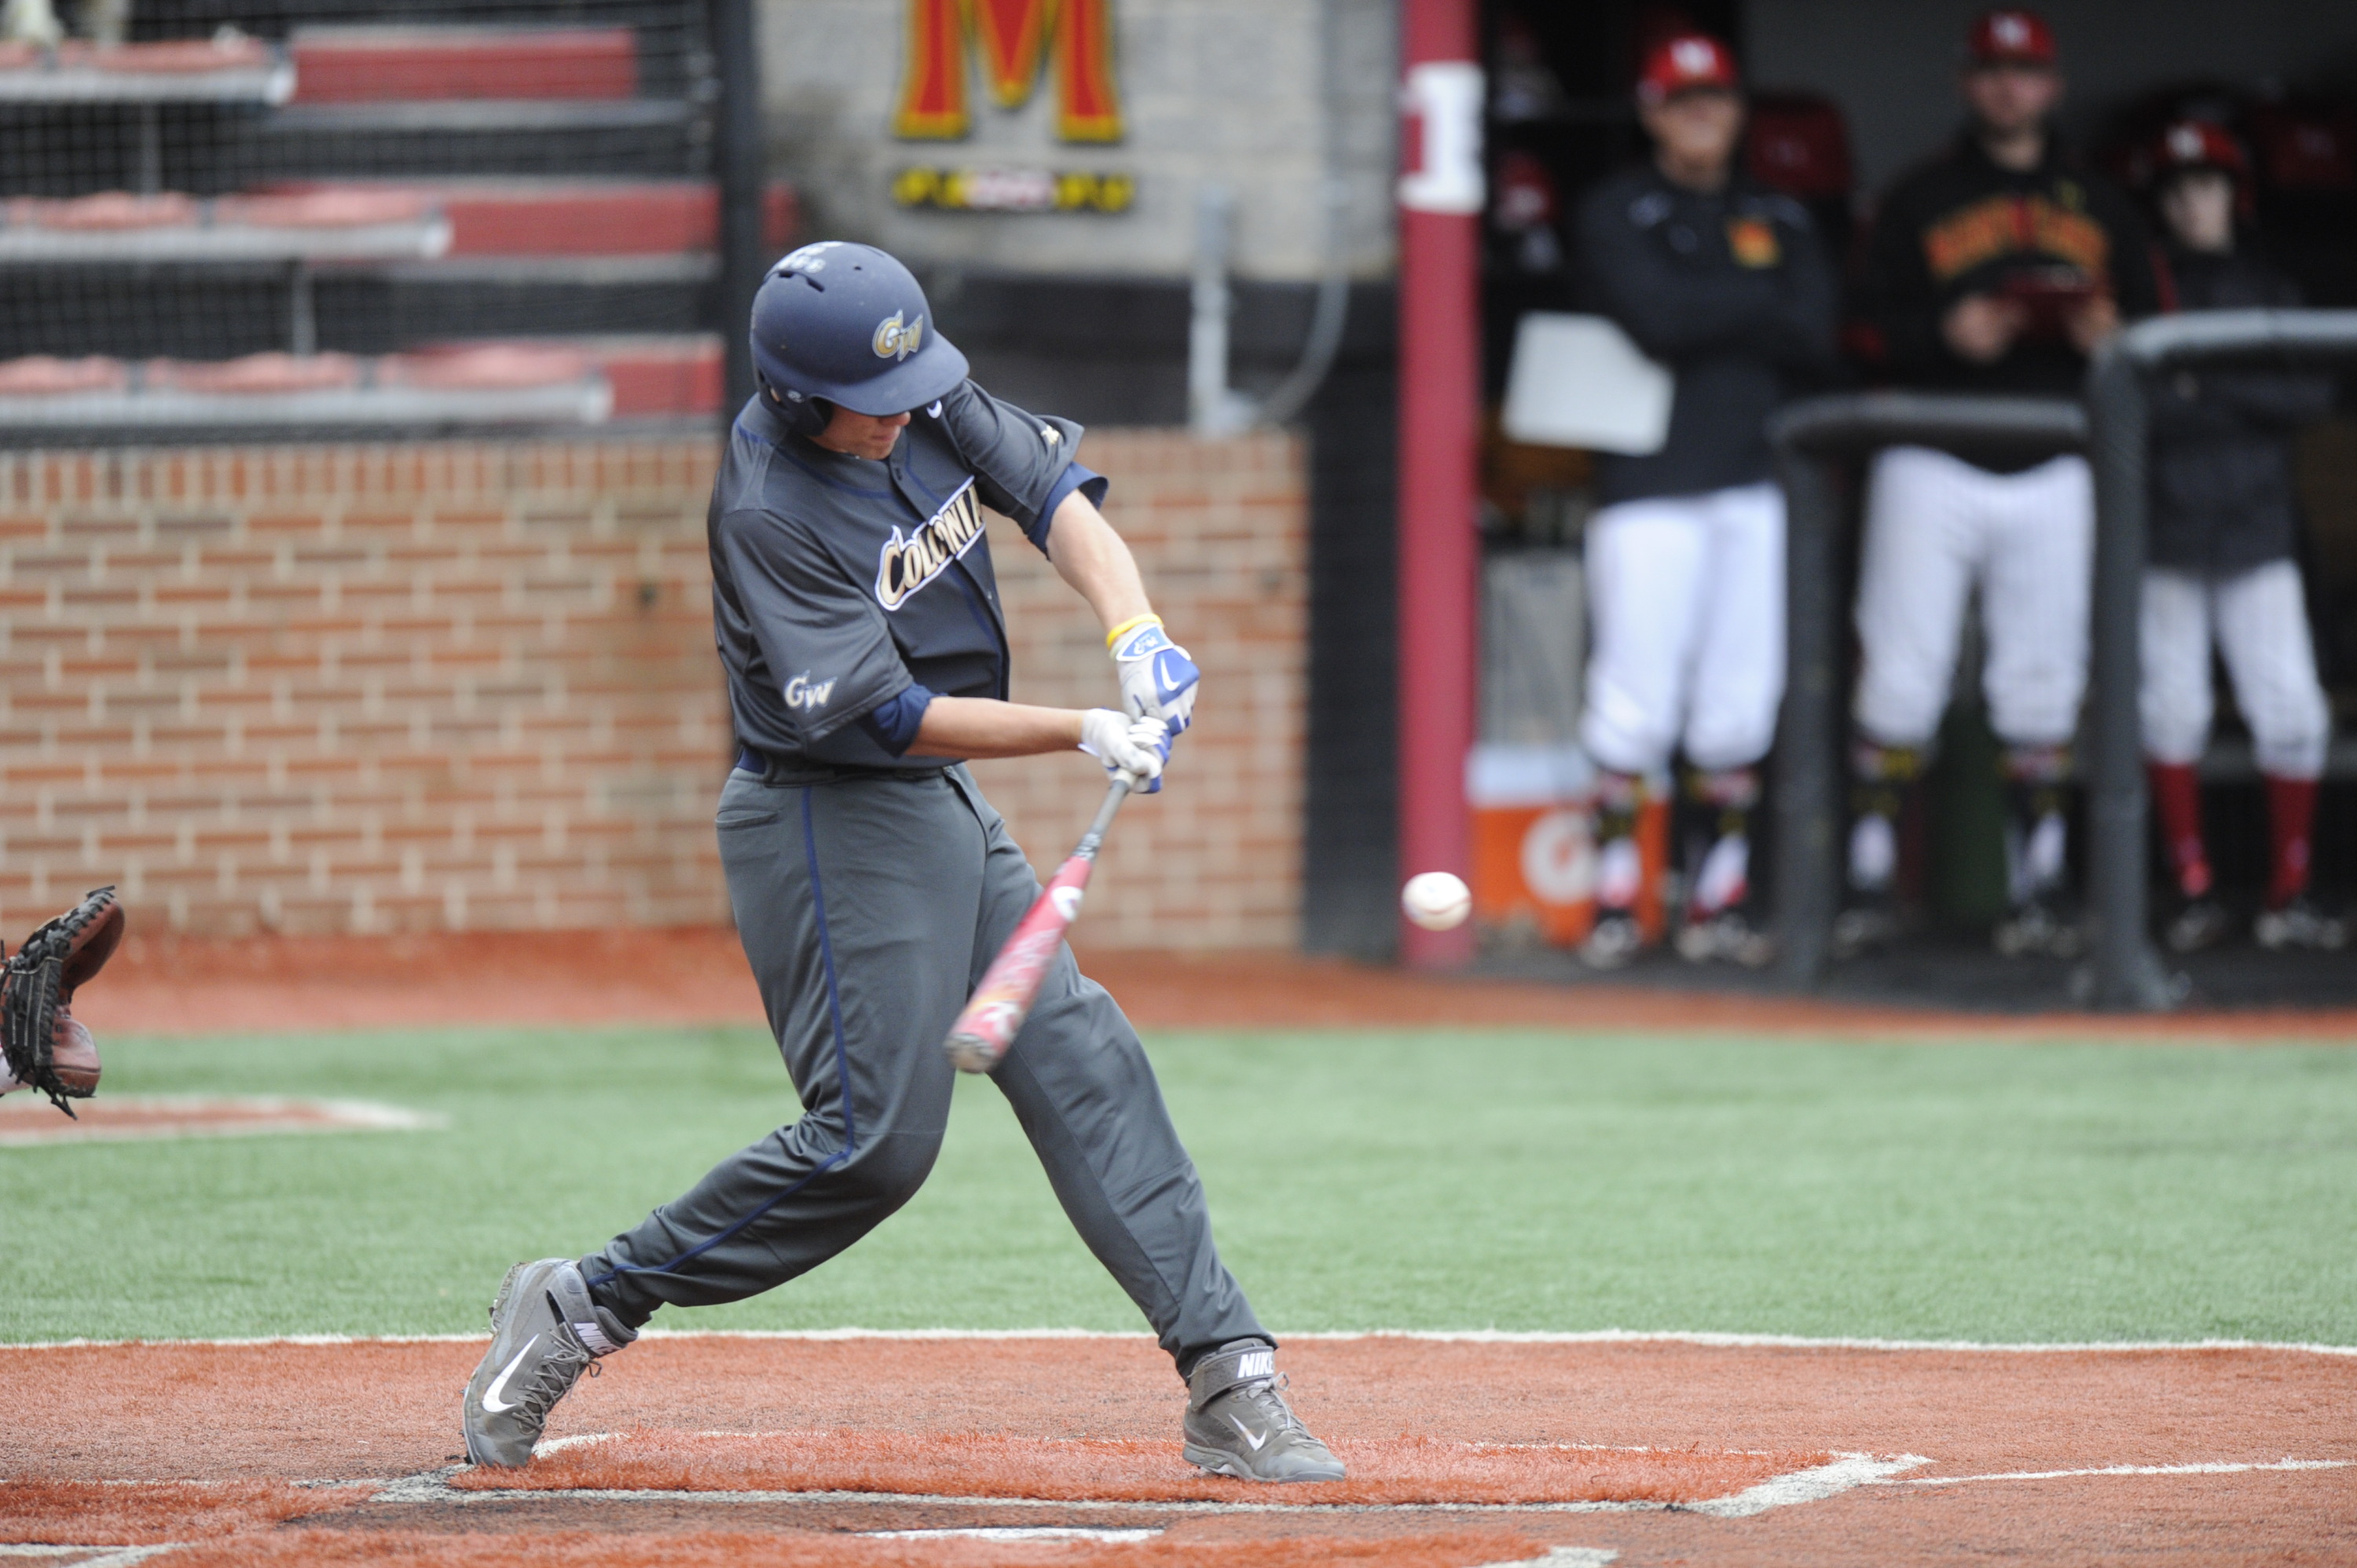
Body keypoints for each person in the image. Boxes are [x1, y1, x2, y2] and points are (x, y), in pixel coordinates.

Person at [458, 243, 1344, 1485]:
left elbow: (1052, 499)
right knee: (873, 1144)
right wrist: (1080, 728)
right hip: (823, 817)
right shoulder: (772, 504)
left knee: (1084, 1059)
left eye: (910, 390)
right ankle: (584, 1303)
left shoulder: (915, 389)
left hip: (933, 802)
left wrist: (1135, 630)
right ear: (794, 397)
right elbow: (883, 717)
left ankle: (1227, 1376)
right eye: (869, 406)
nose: (900, 416)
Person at [1837, 9, 2162, 959]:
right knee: (1899, 679)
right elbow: (1851, 330)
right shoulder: (1918, 197)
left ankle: (2042, 888)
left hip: (2058, 457)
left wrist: (2112, 344)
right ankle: (1864, 882)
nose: (2009, 88)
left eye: (2025, 72)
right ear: (1965, 82)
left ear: (2052, 84)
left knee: (2043, 687)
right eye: (1992, 71)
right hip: (1930, 451)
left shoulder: (2102, 203)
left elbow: (2163, 332)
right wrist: (1942, 336)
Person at [1571, 31, 1838, 969]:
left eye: (1716, 98)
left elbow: (1816, 328)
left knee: (1736, 706)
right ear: (1650, 111)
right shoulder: (1619, 208)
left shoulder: (1777, 211)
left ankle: (1716, 898)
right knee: (1633, 702)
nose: (1702, 114)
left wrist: (1713, 307)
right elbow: (1658, 318)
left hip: (1755, 482)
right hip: (1647, 484)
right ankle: (1616, 900)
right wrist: (1748, 301)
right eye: (1682, 99)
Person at [2136, 121, 2342, 953]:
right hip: (2167, 528)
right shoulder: (2147, 285)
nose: (2195, 202)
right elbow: (2133, 404)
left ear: (2235, 194)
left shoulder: (2269, 286)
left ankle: (2287, 893)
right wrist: (2235, 389)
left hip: (2256, 528)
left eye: (2210, 185)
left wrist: (2202, 388)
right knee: (2171, 710)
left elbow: (2314, 396)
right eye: (2180, 188)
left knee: (2291, 710)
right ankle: (2192, 889)